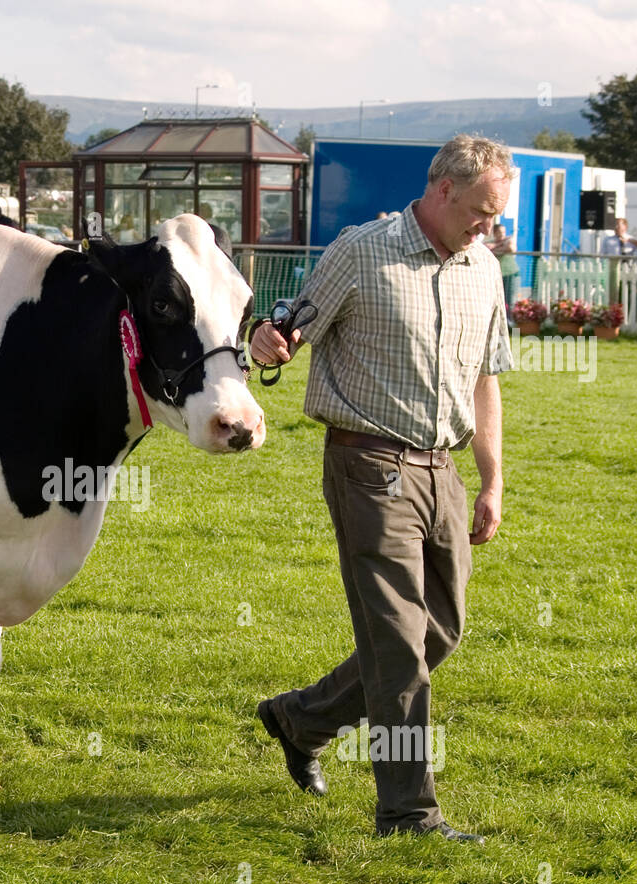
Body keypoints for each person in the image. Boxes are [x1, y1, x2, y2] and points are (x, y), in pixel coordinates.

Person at [250, 134, 512, 844]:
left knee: (440, 630)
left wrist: (491, 480)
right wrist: (264, 342)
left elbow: (487, 380)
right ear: (443, 189)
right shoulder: (360, 252)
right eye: (482, 214)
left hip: (444, 472)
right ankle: (407, 814)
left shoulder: (483, 269)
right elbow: (286, 328)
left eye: (495, 218)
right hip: (369, 466)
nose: (488, 229)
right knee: (398, 642)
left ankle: (301, 719)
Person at [485, 222, 518, 310]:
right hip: (496, 275)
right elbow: (486, 248)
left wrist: (495, 249)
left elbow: (511, 248)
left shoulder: (509, 240)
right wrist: (499, 245)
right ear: (494, 233)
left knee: (510, 299)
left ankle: (510, 321)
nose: (502, 234)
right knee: (495, 299)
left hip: (510, 274)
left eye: (504, 232)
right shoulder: (490, 242)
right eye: (500, 232)